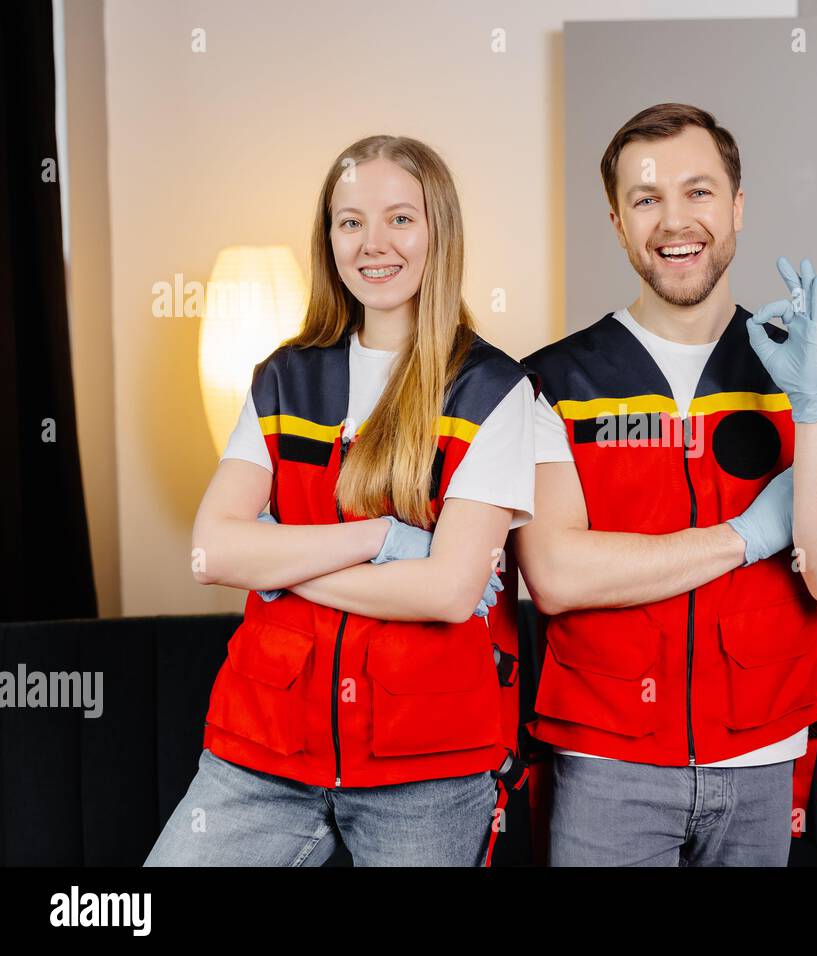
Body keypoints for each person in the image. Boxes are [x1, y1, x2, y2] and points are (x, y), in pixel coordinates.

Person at [146, 135, 537, 867]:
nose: (372, 243)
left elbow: (451, 592)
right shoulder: (283, 378)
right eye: (350, 221)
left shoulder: (494, 391)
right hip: (261, 751)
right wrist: (383, 538)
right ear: (328, 238)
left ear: (438, 231)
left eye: (400, 218)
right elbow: (212, 552)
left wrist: (274, 557)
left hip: (425, 769)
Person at [516, 103, 817, 867]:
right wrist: (746, 539)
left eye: (698, 191)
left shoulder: (812, 379)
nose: (674, 221)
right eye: (646, 199)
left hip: (763, 758)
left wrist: (813, 409)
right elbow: (555, 574)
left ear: (737, 207)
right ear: (617, 222)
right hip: (606, 764)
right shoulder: (554, 382)